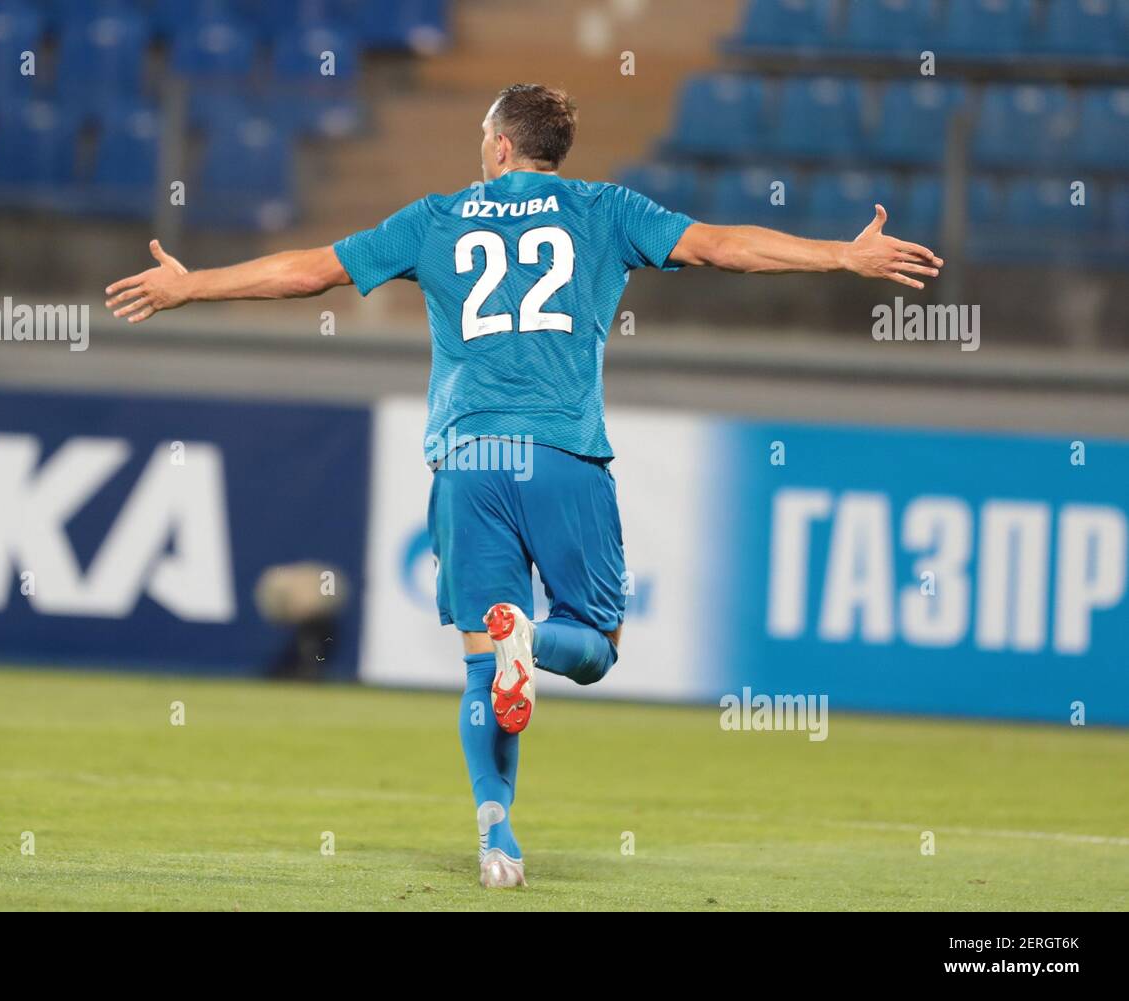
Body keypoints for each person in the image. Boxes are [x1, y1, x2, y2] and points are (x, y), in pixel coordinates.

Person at [105, 83, 942, 889]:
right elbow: (723, 245)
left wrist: (192, 285)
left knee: (480, 670)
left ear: (501, 146)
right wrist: (843, 254)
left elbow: (310, 271)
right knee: (594, 645)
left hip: (467, 462)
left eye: (482, 137)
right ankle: (531, 642)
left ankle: (497, 835)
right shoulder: (606, 210)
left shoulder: (434, 219)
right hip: (560, 455)